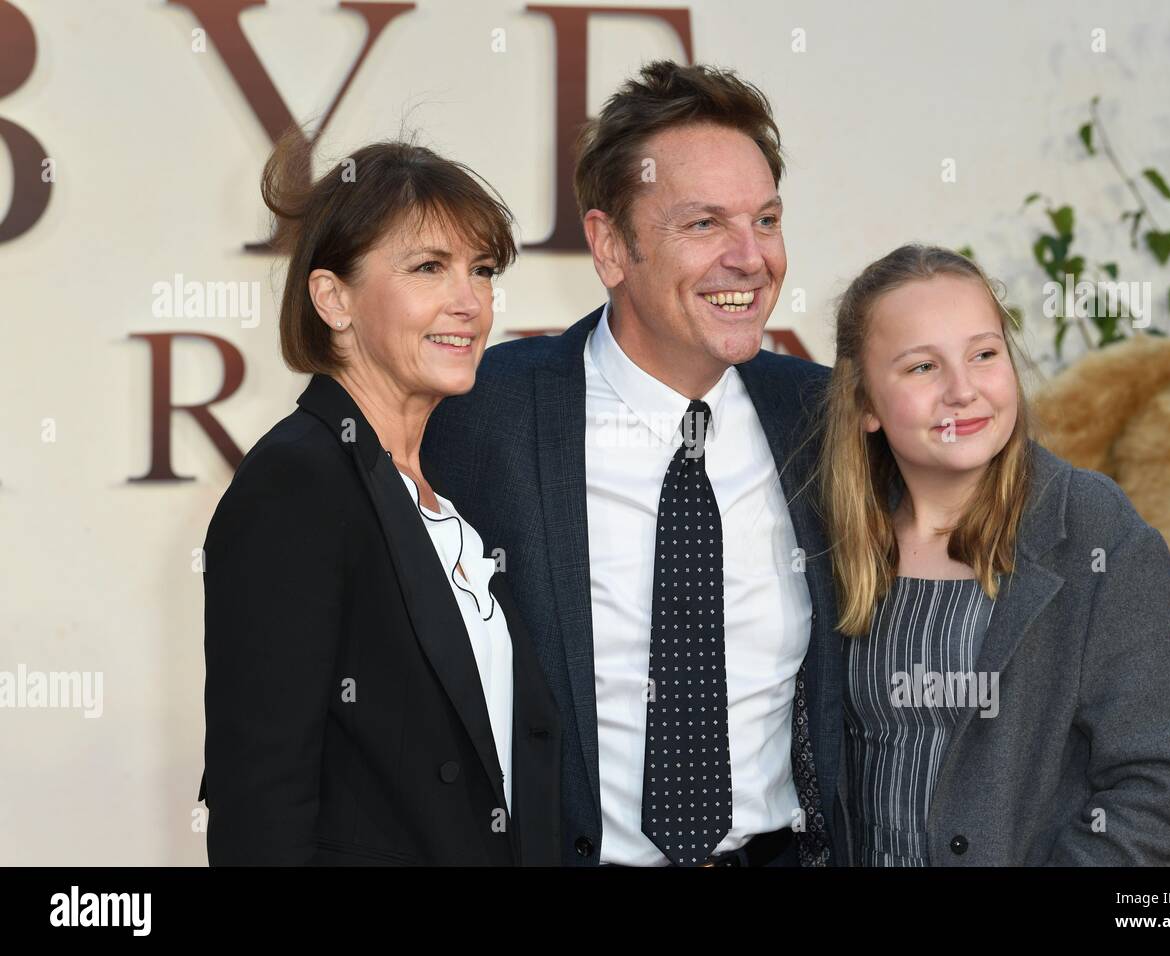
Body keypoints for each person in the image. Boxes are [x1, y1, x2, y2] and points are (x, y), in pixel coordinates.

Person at [424, 61, 840, 866]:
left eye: (766, 220)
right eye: (705, 225)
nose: (751, 259)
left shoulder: (820, 416)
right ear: (610, 245)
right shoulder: (482, 417)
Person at [198, 134, 561, 865]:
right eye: (430, 268)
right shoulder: (296, 483)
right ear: (333, 298)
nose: (470, 302)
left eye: (482, 271)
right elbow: (261, 794)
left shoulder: (442, 491)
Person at [818, 243, 1170, 865]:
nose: (962, 390)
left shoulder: (1093, 529)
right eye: (922, 367)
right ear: (865, 402)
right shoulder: (831, 539)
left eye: (984, 354)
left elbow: (1161, 789)